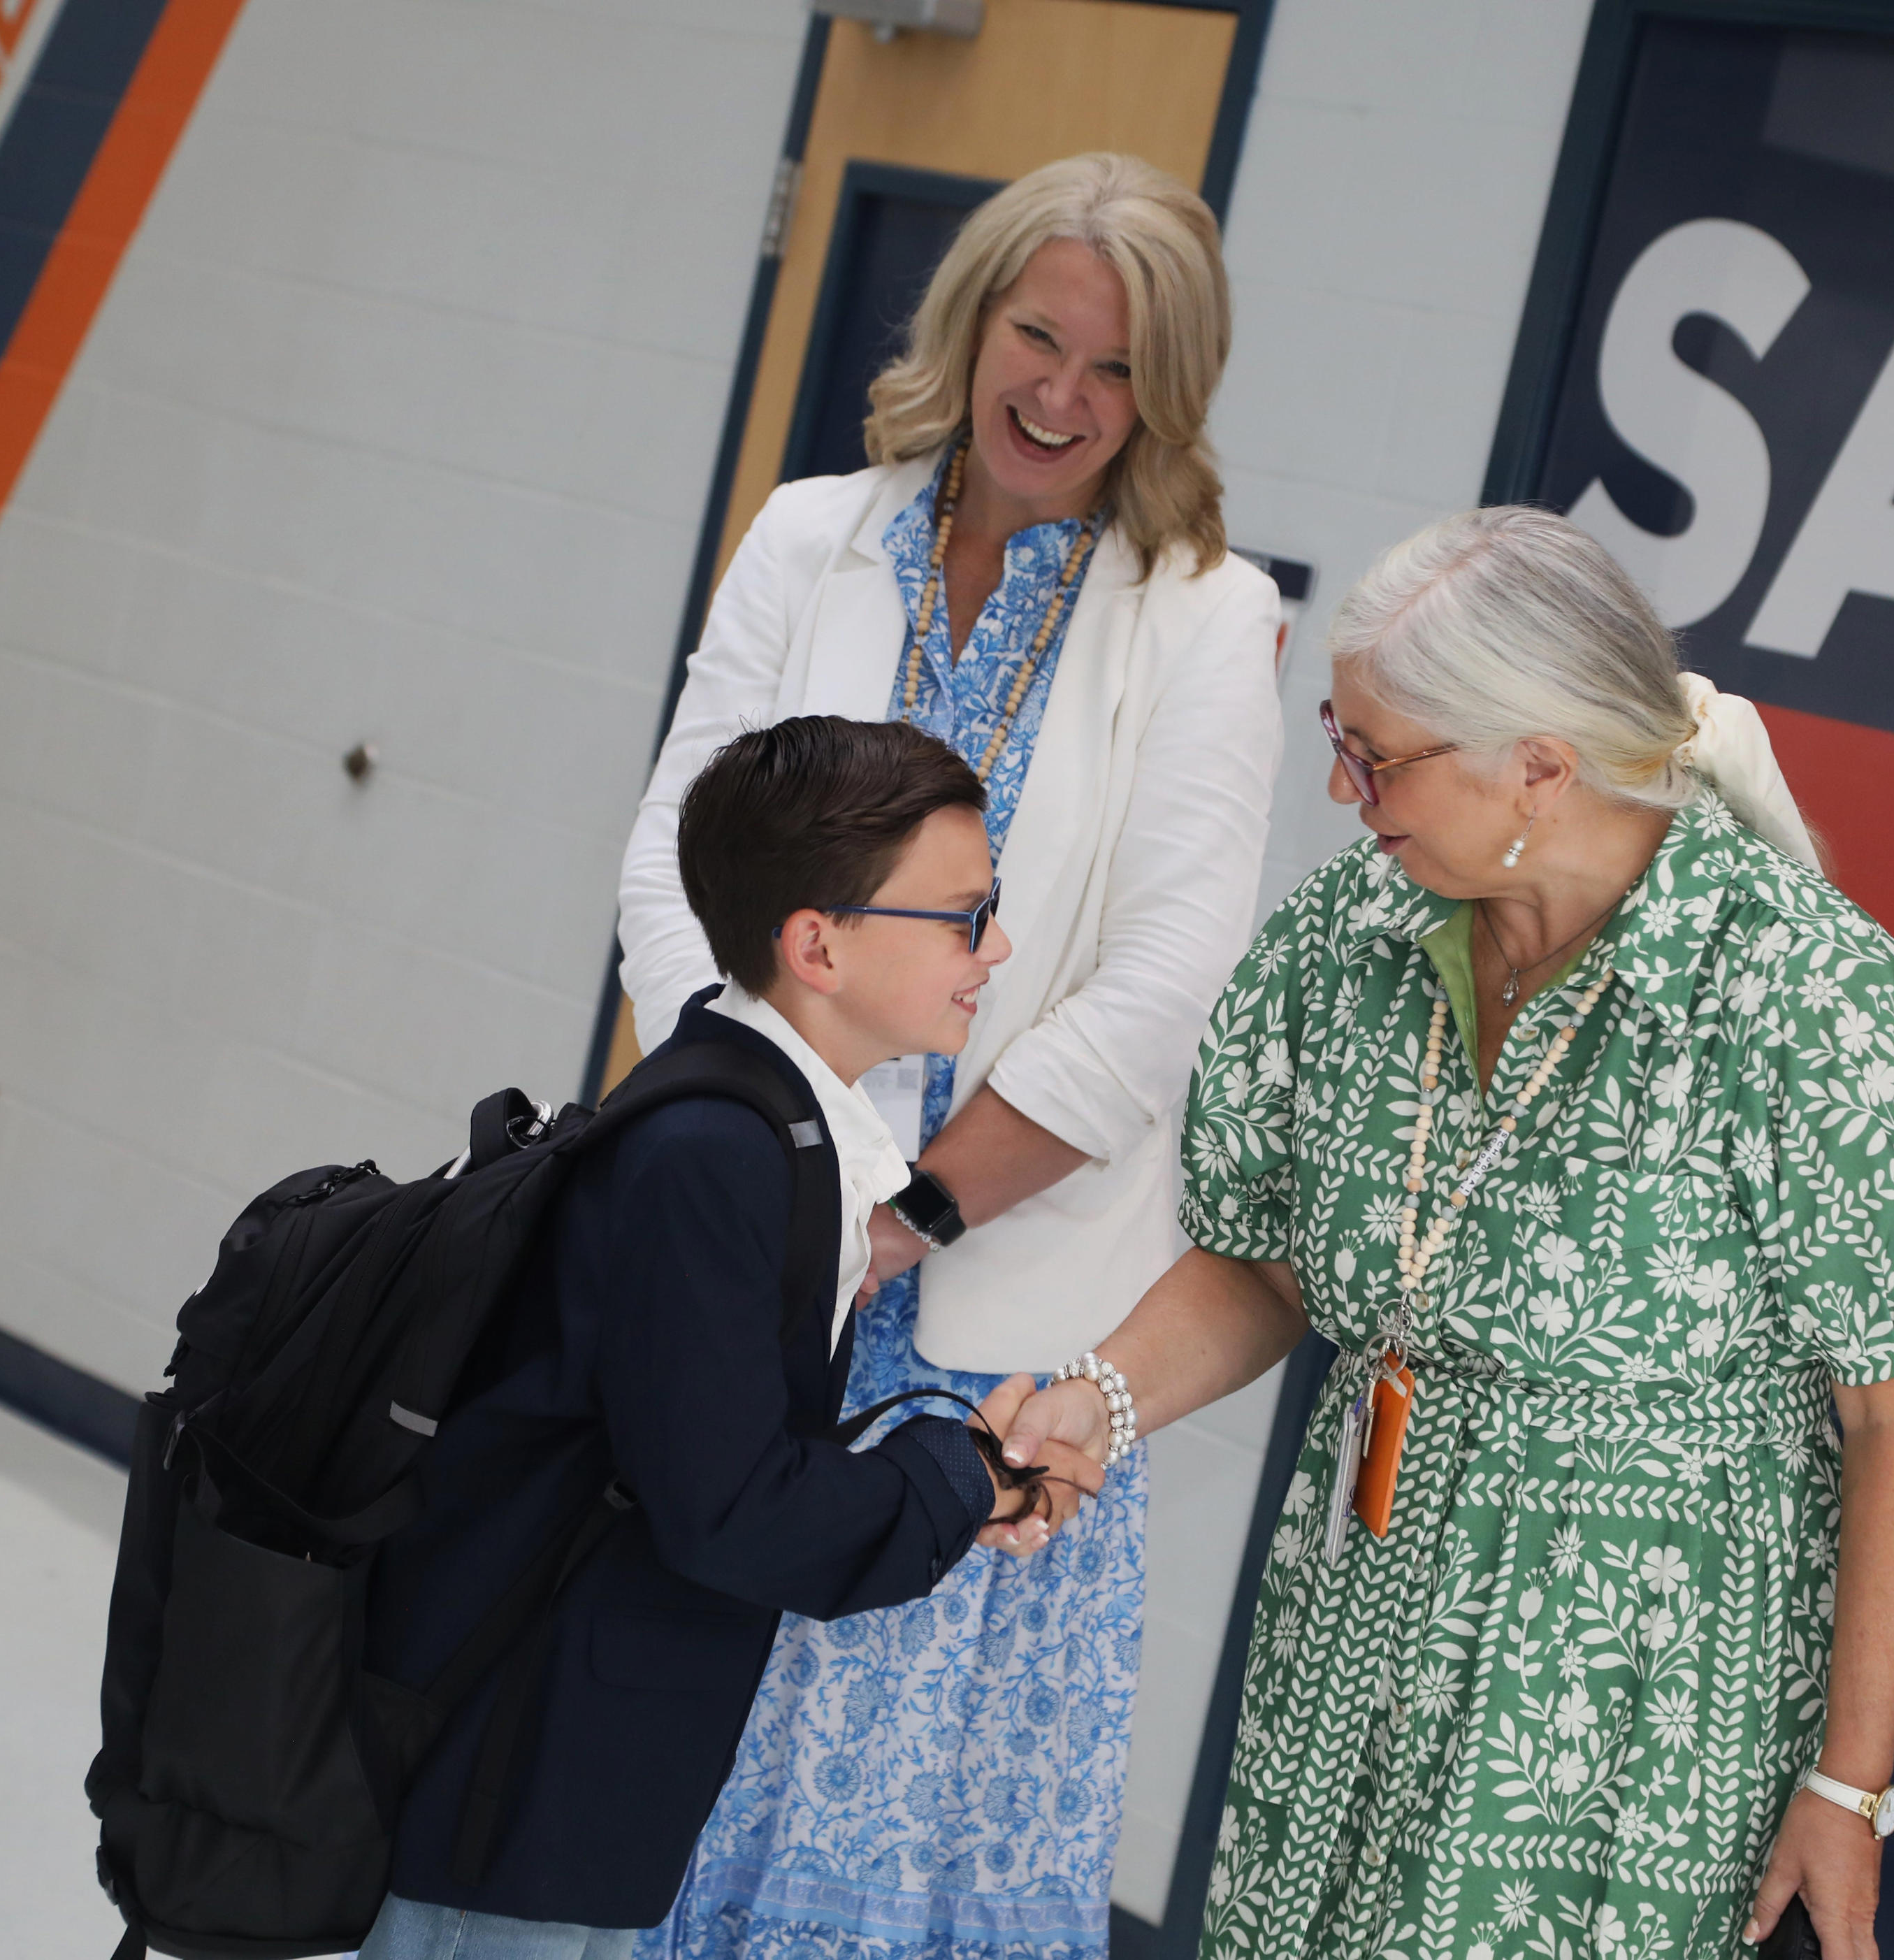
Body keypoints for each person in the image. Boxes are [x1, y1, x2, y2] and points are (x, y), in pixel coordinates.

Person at [996, 508, 1894, 1960]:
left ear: (1541, 758)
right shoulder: (1355, 937)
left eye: (1380, 757)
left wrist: (1848, 1781)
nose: (1350, 793)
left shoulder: (1792, 988)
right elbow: (1276, 1263)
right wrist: (1104, 1397)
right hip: (1358, 1614)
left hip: (1626, 1700)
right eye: (1343, 743)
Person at [616, 154, 1284, 1960]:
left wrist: (900, 1208)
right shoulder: (805, 533)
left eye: (1116, 369)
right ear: (972, 315)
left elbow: (1167, 975)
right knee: (656, 1759)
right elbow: (674, 849)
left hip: (996, 1308)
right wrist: (758, 1146)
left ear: (1169, 392)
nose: (1060, 397)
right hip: (748, 1248)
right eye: (1036, 335)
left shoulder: (1207, 615)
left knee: (895, 1838)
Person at [358, 716, 1104, 1960]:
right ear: (816, 942)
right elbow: (727, 1510)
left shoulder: (769, 1132)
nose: (999, 948)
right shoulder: (714, 1156)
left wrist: (954, 1473)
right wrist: (957, 1471)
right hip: (517, 1787)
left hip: (567, 1779)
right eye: (965, 917)